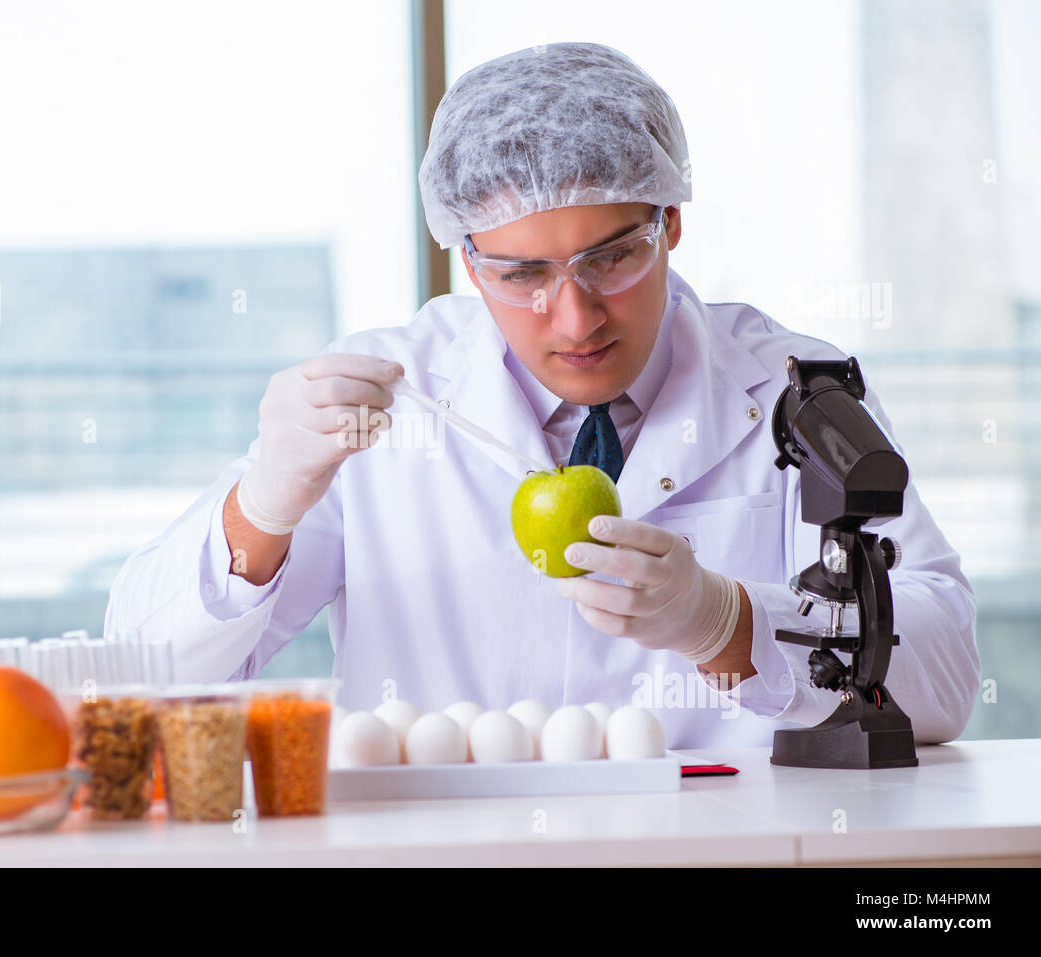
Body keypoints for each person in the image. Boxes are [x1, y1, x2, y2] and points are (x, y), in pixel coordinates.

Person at [105, 42, 979, 749]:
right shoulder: (383, 401)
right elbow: (140, 686)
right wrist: (261, 509)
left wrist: (729, 622)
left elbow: (945, 683)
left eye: (611, 256)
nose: (573, 315)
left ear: (671, 220)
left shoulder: (796, 390)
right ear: (465, 256)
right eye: (522, 272)